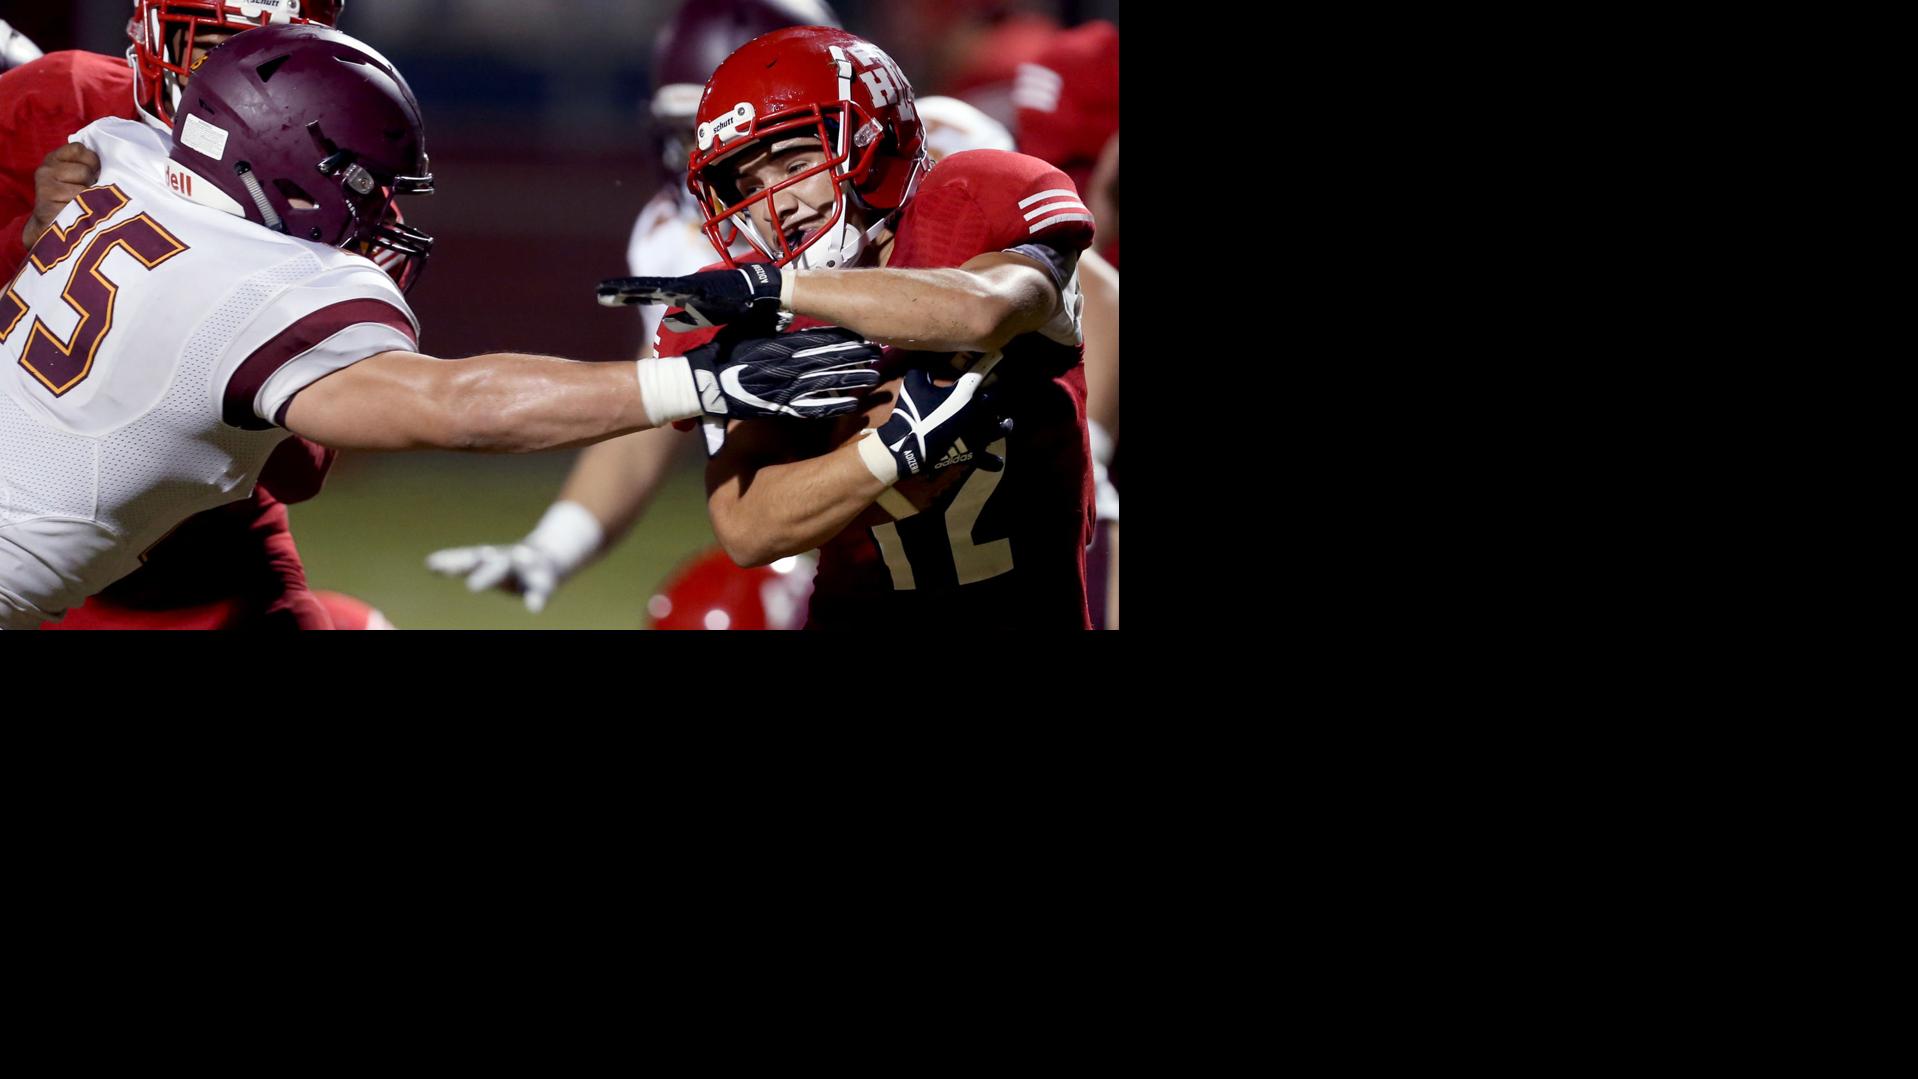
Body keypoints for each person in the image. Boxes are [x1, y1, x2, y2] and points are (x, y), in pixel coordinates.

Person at [0, 24, 878, 630]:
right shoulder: (249, 287)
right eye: (363, 184)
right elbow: (456, 406)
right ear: (289, 169)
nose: (380, 214)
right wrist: (697, 380)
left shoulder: (119, 153)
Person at [602, 26, 1099, 629]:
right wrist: (884, 456)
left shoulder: (971, 202)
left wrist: (781, 289)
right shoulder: (762, 309)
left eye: (795, 163)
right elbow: (747, 527)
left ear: (873, 135)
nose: (775, 204)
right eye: (749, 187)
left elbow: (984, 309)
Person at [425, 0, 843, 618]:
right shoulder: (681, 240)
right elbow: (661, 400)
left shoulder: (936, 165)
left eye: (741, 138)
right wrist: (556, 546)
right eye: (691, 137)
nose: (706, 165)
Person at [0, 0, 388, 629]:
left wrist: (256, 341)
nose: (237, 84)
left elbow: (301, 470)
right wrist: (27, 244)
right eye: (215, 48)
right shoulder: (60, 102)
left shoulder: (334, 177)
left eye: (271, 61)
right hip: (22, 524)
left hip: (201, 549)